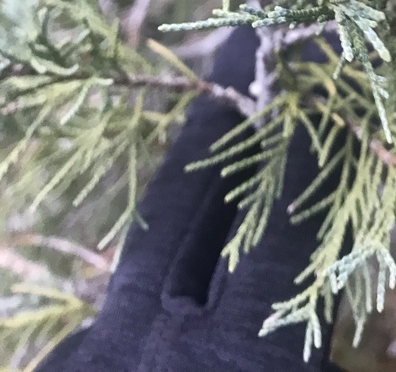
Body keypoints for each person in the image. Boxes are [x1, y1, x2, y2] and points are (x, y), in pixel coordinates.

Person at [36, 24, 347, 371]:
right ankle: (331, 41)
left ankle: (279, 21)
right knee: (318, 146)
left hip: (120, 335)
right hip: (228, 344)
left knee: (227, 126)